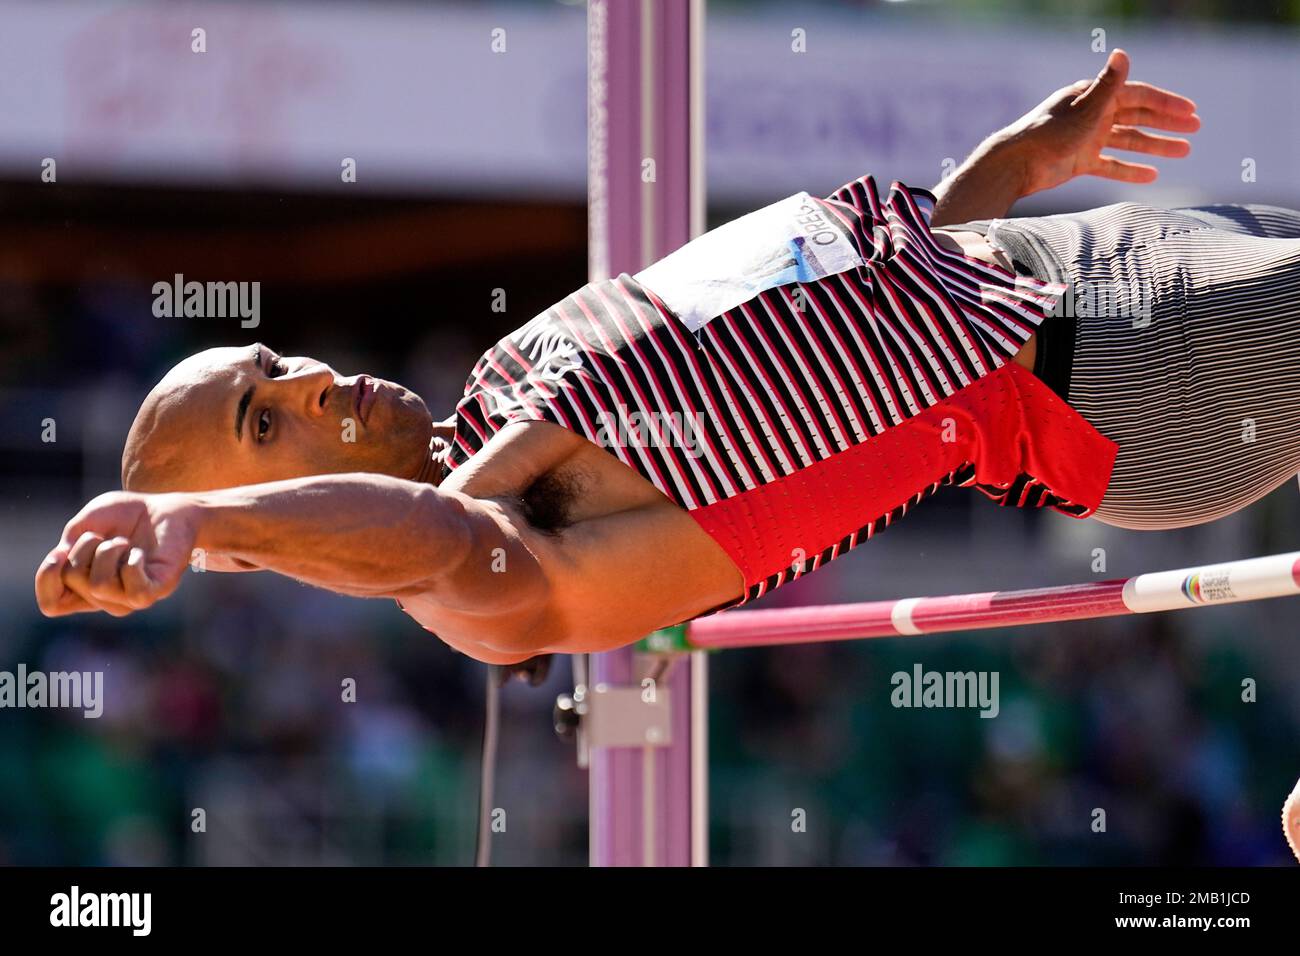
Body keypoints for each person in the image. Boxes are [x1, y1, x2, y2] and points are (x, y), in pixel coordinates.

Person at [38, 51, 1294, 667]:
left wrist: (1011, 169)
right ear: (262, 530)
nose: (310, 378)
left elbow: (864, 309)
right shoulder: (484, 576)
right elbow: (415, 529)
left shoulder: (513, 380)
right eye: (267, 418)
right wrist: (191, 526)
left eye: (273, 360)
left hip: (1090, 254)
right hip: (1122, 369)